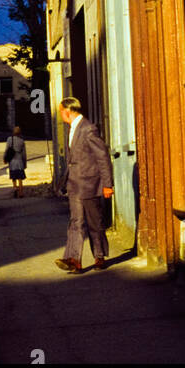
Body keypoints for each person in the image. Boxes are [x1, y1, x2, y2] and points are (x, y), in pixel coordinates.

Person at [55, 96, 113, 272]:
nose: (60, 116)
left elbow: (102, 157)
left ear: (67, 110)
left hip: (90, 184)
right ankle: (74, 260)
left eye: (60, 112)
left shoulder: (88, 129)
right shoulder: (71, 129)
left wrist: (107, 184)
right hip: (75, 185)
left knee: (95, 223)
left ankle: (99, 256)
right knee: (76, 222)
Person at [5, 125, 27, 197]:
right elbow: (24, 154)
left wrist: (5, 159)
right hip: (19, 161)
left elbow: (7, 150)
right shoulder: (22, 141)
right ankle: (21, 193)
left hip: (12, 161)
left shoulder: (9, 139)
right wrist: (24, 163)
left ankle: (15, 188)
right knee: (20, 178)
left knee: (13, 177)